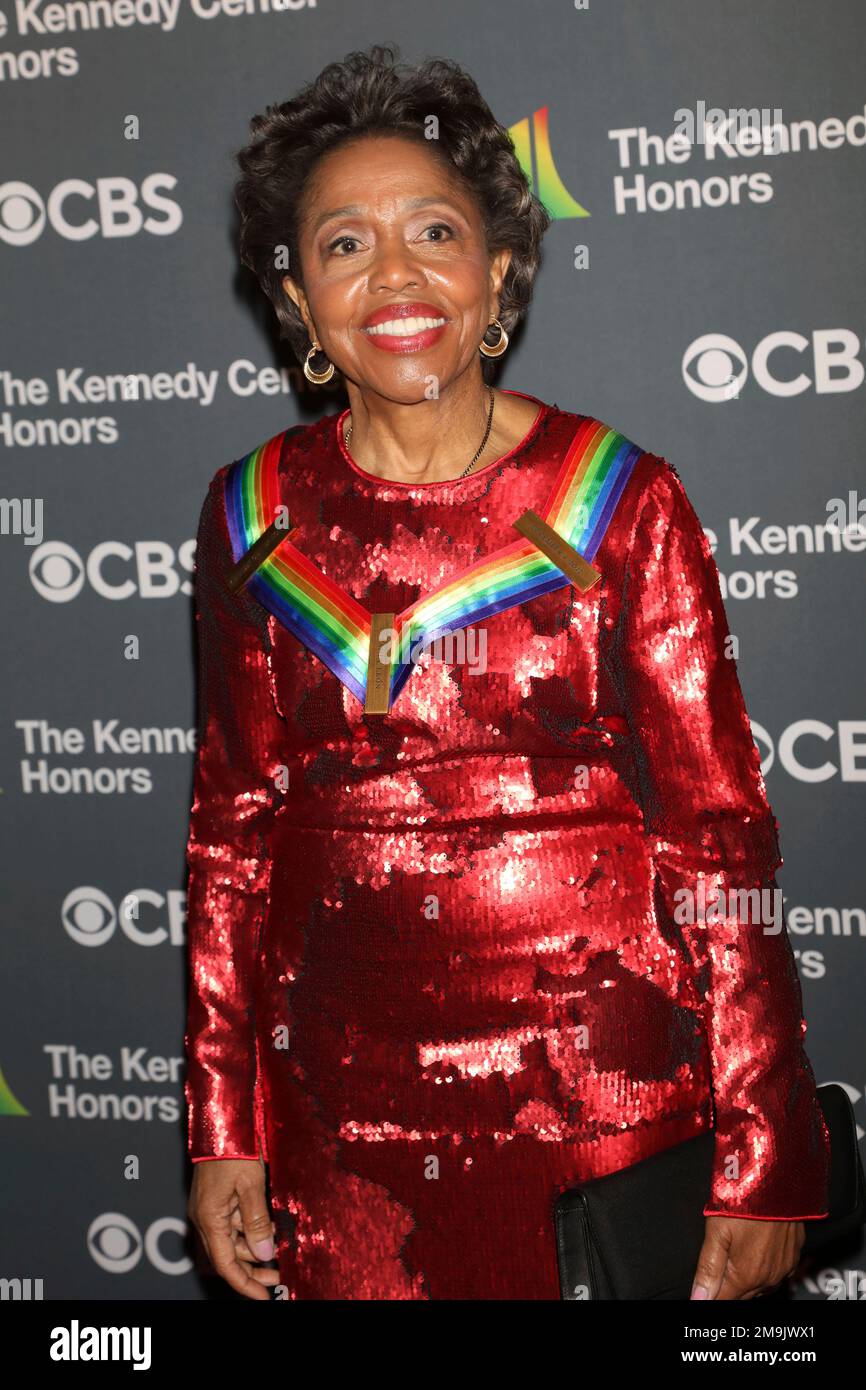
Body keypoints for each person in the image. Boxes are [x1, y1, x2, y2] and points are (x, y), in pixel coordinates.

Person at [184, 44, 830, 1301]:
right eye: (344, 243)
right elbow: (231, 834)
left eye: (434, 231)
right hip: (338, 1129)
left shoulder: (617, 500)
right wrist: (224, 1123)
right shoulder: (249, 514)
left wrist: (763, 1153)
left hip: (597, 1108)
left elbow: (719, 840)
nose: (395, 276)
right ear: (297, 297)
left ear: (499, 270)